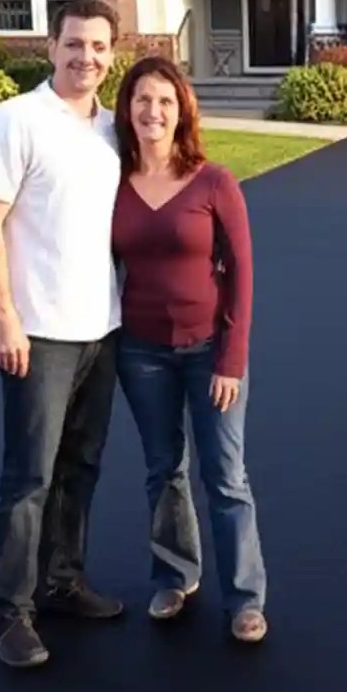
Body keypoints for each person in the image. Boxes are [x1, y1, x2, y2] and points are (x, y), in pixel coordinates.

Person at [0, 0, 126, 668]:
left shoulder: (114, 129)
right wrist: (3, 315)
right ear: (51, 45)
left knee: (81, 468)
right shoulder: (16, 121)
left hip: (105, 327)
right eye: (73, 44)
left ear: (111, 54)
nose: (84, 57)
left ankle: (62, 581)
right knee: (28, 477)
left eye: (97, 47)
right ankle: (9, 612)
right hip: (39, 334)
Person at [110, 56, 269, 643]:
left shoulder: (213, 181)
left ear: (183, 112)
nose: (154, 111)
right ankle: (175, 576)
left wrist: (231, 358)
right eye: (143, 100)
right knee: (163, 471)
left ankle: (246, 599)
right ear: (127, 109)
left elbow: (243, 273)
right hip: (141, 352)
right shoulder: (114, 182)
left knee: (225, 475)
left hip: (209, 351)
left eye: (166, 101)